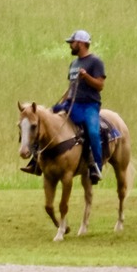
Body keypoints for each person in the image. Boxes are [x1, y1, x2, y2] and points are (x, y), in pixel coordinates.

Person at [51, 29, 107, 181]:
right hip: (72, 104)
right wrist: (60, 104)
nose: (70, 45)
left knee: (93, 132)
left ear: (81, 44)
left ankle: (96, 166)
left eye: (72, 43)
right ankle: (36, 161)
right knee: (45, 120)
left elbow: (100, 85)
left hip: (89, 105)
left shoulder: (95, 62)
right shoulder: (73, 64)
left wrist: (86, 76)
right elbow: (71, 87)